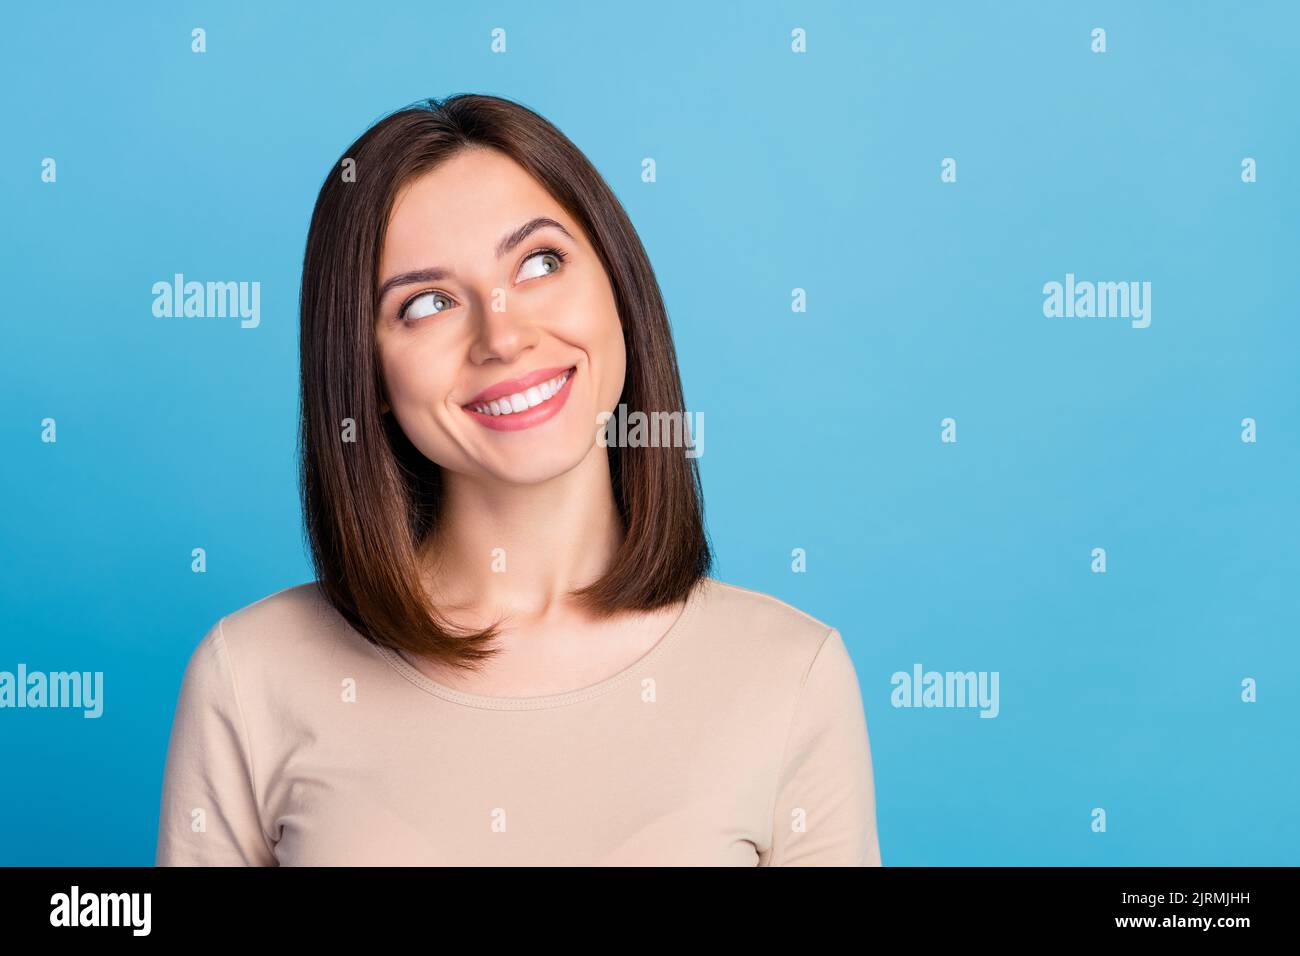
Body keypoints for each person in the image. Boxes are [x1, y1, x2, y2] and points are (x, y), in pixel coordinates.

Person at [155, 94, 881, 866]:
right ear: (364, 372)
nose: (501, 336)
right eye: (426, 303)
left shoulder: (790, 676)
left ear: (619, 287)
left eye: (540, 262)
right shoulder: (251, 677)